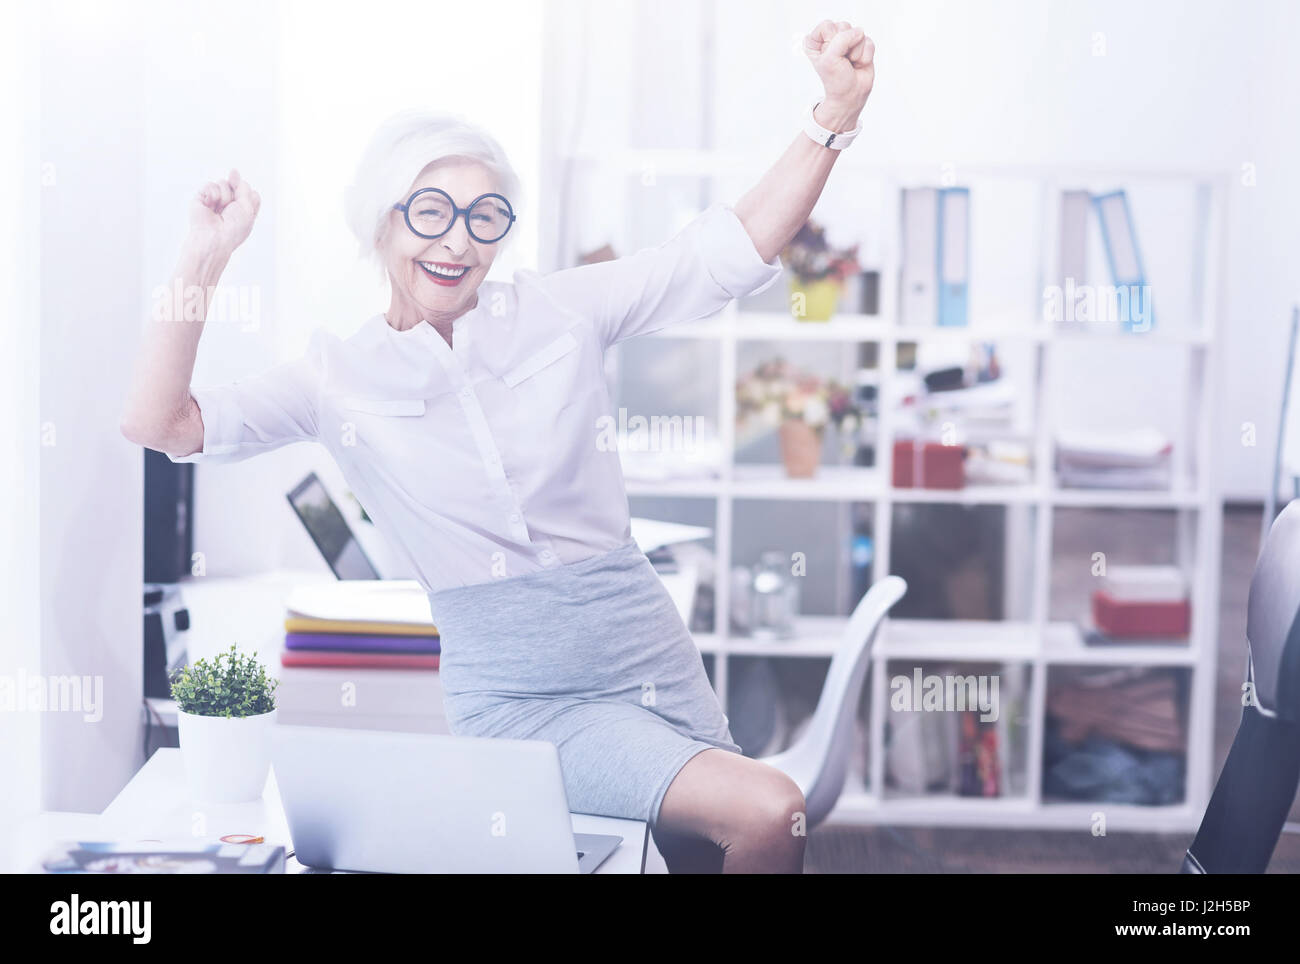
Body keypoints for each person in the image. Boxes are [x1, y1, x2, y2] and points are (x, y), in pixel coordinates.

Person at [121, 19, 875, 873]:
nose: (459, 240)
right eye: (431, 212)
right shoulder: (337, 379)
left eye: (485, 217)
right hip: (524, 697)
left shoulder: (561, 311)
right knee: (772, 813)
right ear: (382, 224)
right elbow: (162, 425)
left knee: (698, 854)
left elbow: (724, 251)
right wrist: (203, 258)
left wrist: (831, 119)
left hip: (647, 648)